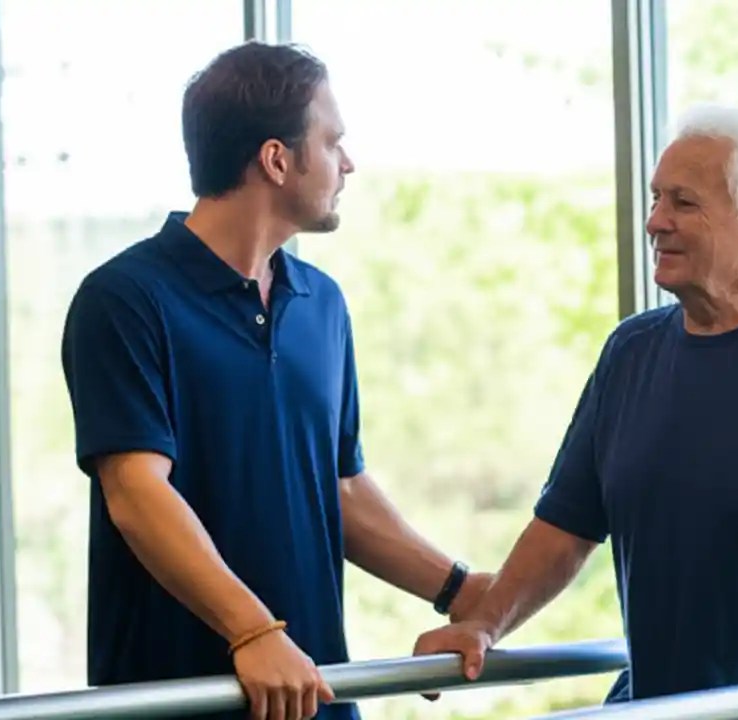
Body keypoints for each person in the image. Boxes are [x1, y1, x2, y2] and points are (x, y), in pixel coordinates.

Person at [413, 104, 738, 720]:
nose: (655, 221)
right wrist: (485, 624)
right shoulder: (630, 352)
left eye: (683, 203)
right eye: (656, 199)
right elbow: (565, 526)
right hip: (659, 707)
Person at [61, 41, 490, 720]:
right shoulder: (124, 298)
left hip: (315, 695)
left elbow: (340, 488)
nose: (348, 162)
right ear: (277, 158)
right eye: (333, 141)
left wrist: (466, 593)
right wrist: (253, 632)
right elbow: (137, 492)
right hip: (178, 700)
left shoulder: (323, 304)